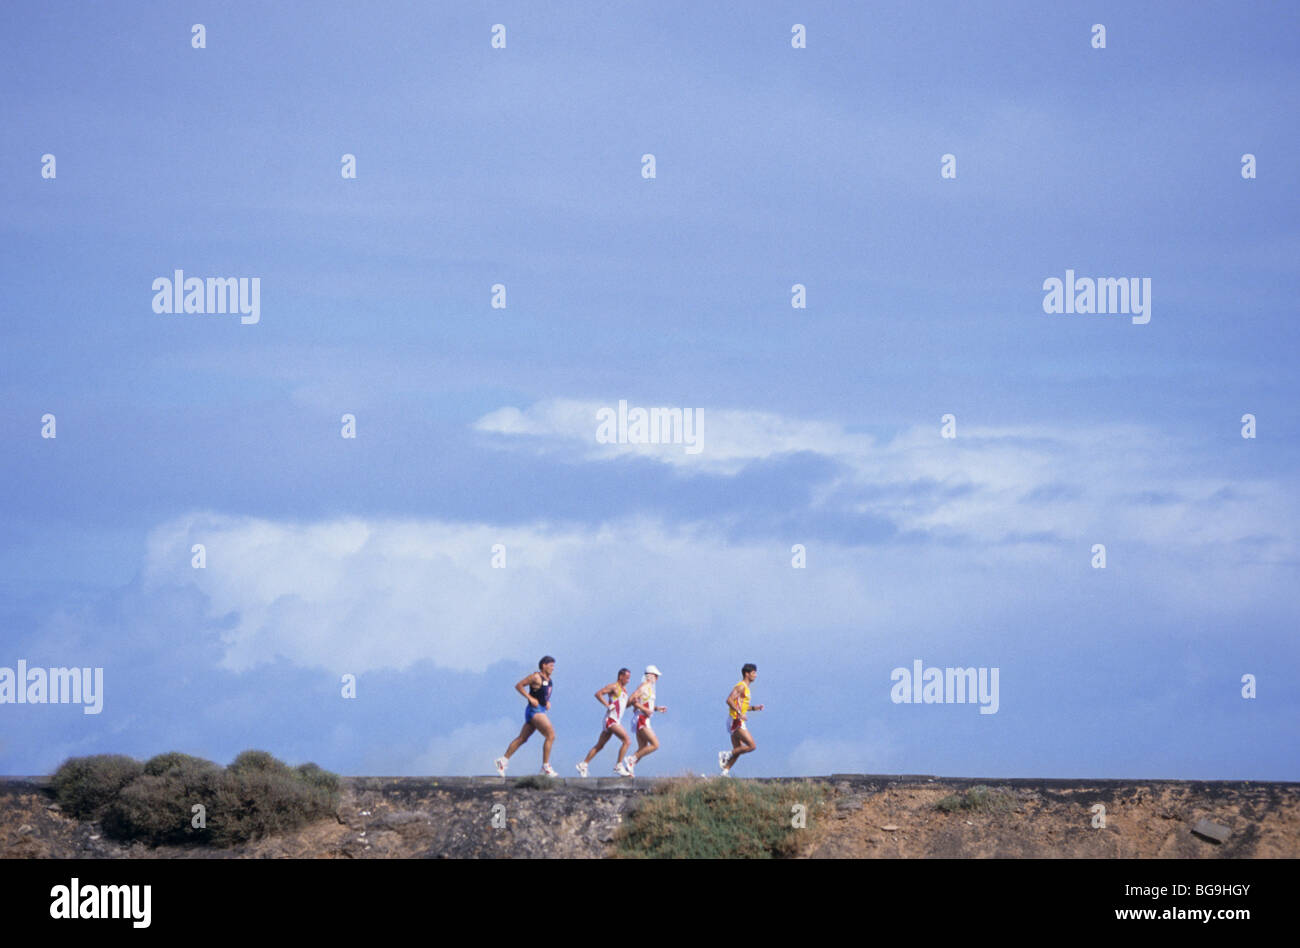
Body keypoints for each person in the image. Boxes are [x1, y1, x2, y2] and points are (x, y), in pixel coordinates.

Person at [495, 656, 558, 777]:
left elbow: (543, 694)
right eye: (551, 665)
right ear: (544, 665)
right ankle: (545, 767)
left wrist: (547, 702)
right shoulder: (535, 676)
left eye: (553, 666)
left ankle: (502, 761)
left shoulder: (549, 680)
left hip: (541, 709)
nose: (553, 668)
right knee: (551, 735)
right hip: (534, 711)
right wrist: (529, 697)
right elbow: (519, 685)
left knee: (522, 738)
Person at [577, 668, 633, 777]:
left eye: (629, 679)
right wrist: (607, 705)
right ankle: (618, 766)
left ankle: (583, 764)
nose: (628, 681)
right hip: (611, 720)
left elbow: (622, 706)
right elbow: (598, 694)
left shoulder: (625, 691)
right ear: (621, 676)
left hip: (615, 720)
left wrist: (633, 702)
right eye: (627, 678)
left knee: (600, 745)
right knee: (627, 741)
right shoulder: (614, 686)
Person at [719, 663, 762, 776]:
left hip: (735, 719)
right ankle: (725, 754)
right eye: (754, 673)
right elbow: (729, 700)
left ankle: (725, 772)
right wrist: (739, 713)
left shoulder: (746, 688)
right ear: (747, 674)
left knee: (739, 749)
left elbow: (742, 706)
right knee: (752, 746)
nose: (756, 675)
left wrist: (754, 708)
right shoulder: (741, 686)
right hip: (736, 720)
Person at [622, 665, 666, 776]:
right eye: (656, 676)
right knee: (655, 744)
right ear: (650, 676)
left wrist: (656, 708)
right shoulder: (645, 686)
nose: (657, 679)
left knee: (642, 747)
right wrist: (643, 708)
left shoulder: (650, 688)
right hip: (641, 719)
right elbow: (632, 699)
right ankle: (631, 759)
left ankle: (629, 769)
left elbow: (646, 704)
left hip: (644, 718)